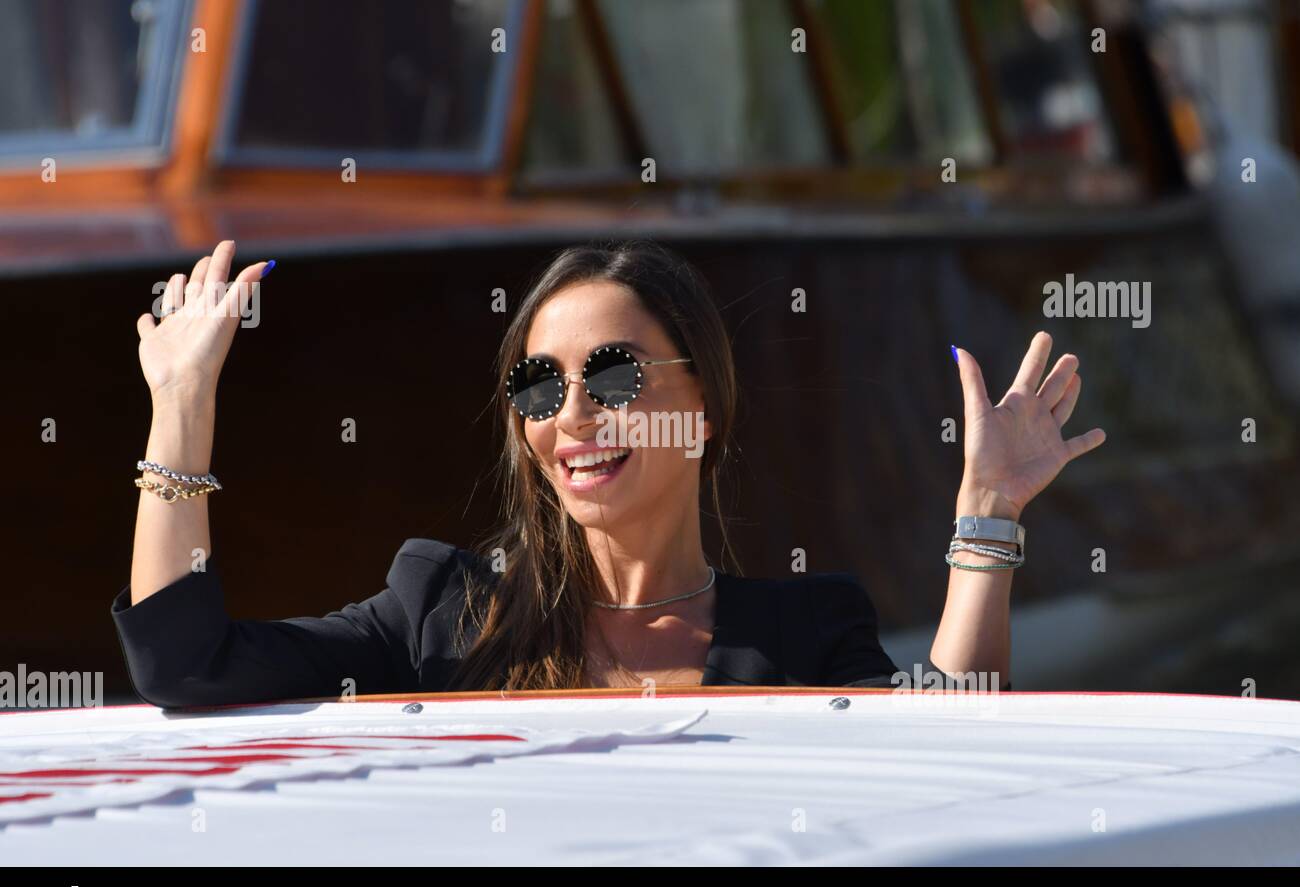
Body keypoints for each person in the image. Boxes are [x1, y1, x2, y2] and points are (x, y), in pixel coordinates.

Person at [112, 238, 1105, 706]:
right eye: (539, 386)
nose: (573, 413)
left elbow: (950, 746)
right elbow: (184, 666)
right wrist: (182, 405)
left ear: (702, 410)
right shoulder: (442, 612)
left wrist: (986, 513)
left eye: (615, 375)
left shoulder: (807, 631)